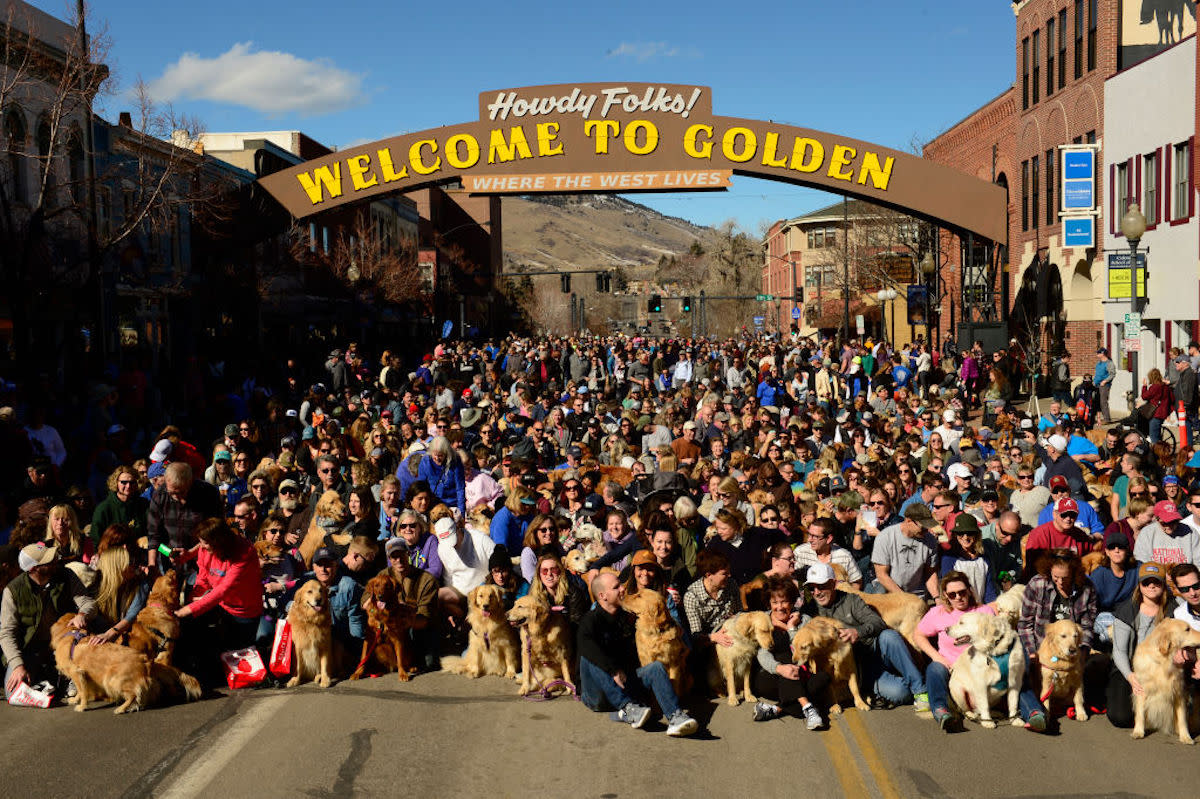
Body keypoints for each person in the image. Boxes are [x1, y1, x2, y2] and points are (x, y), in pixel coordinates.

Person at [576, 571, 700, 737]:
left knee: (655, 667)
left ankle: (675, 716)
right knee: (588, 656)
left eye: (621, 584)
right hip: (598, 695)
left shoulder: (628, 617)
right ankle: (627, 708)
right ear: (602, 595)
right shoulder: (590, 620)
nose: (623, 589)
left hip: (624, 684)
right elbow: (586, 646)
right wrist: (613, 669)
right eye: (616, 587)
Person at [801, 562, 928, 709]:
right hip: (860, 671)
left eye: (821, 586)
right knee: (902, 693)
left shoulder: (851, 600)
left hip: (874, 651)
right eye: (812, 588)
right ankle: (898, 684)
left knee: (889, 636)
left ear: (833, 583)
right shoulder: (810, 609)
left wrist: (857, 632)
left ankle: (921, 690)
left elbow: (877, 622)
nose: (817, 592)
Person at [1, 543, 96, 699]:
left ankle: (66, 678)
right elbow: (6, 633)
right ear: (33, 569)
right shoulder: (12, 591)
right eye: (48, 561)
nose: (55, 561)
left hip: (64, 643)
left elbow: (88, 602)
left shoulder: (66, 575)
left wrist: (82, 614)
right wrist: (17, 665)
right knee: (13, 693)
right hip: (30, 649)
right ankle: (49, 681)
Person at [176, 518, 263, 681]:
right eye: (200, 542)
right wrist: (192, 602)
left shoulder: (244, 552)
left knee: (237, 661)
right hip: (220, 604)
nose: (201, 546)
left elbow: (223, 590)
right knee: (190, 625)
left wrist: (188, 609)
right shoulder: (205, 549)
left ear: (218, 541)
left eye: (205, 543)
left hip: (243, 610)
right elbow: (202, 578)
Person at [913, 571, 999, 731]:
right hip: (950, 667)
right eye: (952, 594)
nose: (958, 597)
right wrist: (936, 656)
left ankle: (1027, 710)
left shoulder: (984, 612)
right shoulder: (938, 613)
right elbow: (918, 635)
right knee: (934, 669)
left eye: (961, 592)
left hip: (978, 669)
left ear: (969, 590)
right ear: (945, 595)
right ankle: (941, 710)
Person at [1017, 550, 1097, 718]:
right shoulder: (1037, 584)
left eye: (1065, 578)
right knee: (1023, 670)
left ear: (1074, 573)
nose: (1060, 582)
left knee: (1098, 664)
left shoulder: (1087, 588)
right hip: (1039, 645)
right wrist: (1032, 653)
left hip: (1072, 647)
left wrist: (1083, 651)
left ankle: (1081, 701)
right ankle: (1034, 712)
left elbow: (1087, 626)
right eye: (1055, 577)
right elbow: (1024, 625)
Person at [750, 575, 829, 729]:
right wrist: (780, 668)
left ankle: (776, 709)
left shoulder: (804, 620)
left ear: (792, 601)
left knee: (823, 677)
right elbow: (762, 654)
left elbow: (801, 650)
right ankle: (807, 707)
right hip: (769, 676)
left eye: (784, 601)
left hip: (799, 675)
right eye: (775, 602)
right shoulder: (762, 620)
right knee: (785, 657)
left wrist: (791, 628)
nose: (779, 607)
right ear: (769, 603)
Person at [1106, 562, 1169, 728]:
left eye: (1156, 581)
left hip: (1161, 669)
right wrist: (1131, 677)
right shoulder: (1127, 610)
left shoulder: (1172, 609)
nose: (1151, 586)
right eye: (1146, 582)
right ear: (1139, 585)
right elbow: (1119, 651)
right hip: (1130, 668)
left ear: (1163, 584)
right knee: (1120, 717)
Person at [147, 462, 223, 573]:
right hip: (168, 557)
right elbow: (154, 536)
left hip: (202, 556)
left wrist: (191, 553)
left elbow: (216, 531)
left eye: (181, 492)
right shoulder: (160, 495)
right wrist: (153, 563)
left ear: (190, 482)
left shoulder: (209, 493)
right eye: (172, 493)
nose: (177, 497)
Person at [382, 538, 440, 671]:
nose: (399, 560)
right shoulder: (383, 576)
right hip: (393, 628)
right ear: (389, 559)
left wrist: (403, 615)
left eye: (401, 555)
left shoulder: (426, 580)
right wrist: (376, 612)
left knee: (428, 663)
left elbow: (424, 620)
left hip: (418, 627)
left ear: (408, 554)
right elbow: (366, 603)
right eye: (394, 557)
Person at [304, 547, 366, 660]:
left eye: (327, 565)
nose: (323, 569)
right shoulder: (305, 582)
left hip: (341, 643)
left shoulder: (349, 586)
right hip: (316, 641)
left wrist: (359, 657)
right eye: (319, 565)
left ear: (336, 566)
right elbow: (286, 600)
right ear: (313, 567)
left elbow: (356, 623)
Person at [870, 503, 940, 598]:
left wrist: (937, 597)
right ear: (908, 520)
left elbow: (930, 573)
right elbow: (882, 575)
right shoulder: (885, 537)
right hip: (889, 592)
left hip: (916, 595)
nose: (926, 531)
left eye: (928, 527)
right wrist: (904, 599)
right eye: (923, 527)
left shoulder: (930, 541)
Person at [1089, 531, 1139, 646]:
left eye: (1121, 547)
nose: (1116, 550)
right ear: (1107, 552)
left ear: (1127, 550)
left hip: (1131, 615)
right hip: (1104, 616)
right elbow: (1091, 605)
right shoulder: (1098, 574)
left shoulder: (1137, 569)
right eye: (1112, 547)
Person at [528, 551, 588, 627]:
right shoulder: (533, 595)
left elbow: (576, 624)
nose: (549, 574)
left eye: (553, 569)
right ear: (539, 575)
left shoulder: (574, 593)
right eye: (544, 570)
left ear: (560, 572)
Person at [91, 465, 149, 542]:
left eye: (132, 482)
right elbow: (96, 540)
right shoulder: (103, 508)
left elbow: (155, 535)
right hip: (113, 552)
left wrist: (166, 552)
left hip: (140, 551)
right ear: (115, 482)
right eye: (124, 482)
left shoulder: (144, 504)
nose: (128, 486)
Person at [1134, 500, 1200, 567]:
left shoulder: (1190, 532)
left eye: (1174, 521)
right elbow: (1141, 561)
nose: (1169, 526)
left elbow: (1198, 562)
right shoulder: (1147, 533)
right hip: (1155, 575)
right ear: (1157, 519)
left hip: (1185, 575)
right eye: (1165, 522)